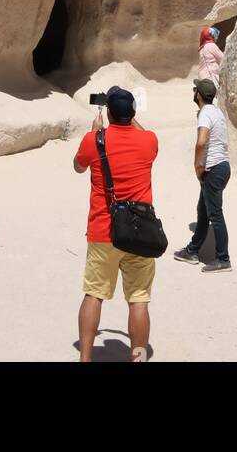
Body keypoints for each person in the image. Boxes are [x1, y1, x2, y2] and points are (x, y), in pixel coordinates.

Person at [73, 85, 159, 363]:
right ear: (133, 113)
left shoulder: (94, 141)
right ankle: (137, 358)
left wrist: (97, 130)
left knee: (93, 294)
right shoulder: (148, 142)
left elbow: (78, 166)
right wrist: (125, 117)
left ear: (108, 113)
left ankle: (85, 359)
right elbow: (143, 133)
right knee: (138, 299)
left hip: (102, 230)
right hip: (139, 233)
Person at [174, 79, 232, 272]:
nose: (194, 92)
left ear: (198, 94)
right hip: (222, 166)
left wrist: (197, 166)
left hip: (213, 169)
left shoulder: (205, 113)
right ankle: (192, 250)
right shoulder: (216, 112)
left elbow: (201, 142)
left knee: (215, 215)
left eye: (195, 90)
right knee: (203, 210)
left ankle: (223, 259)